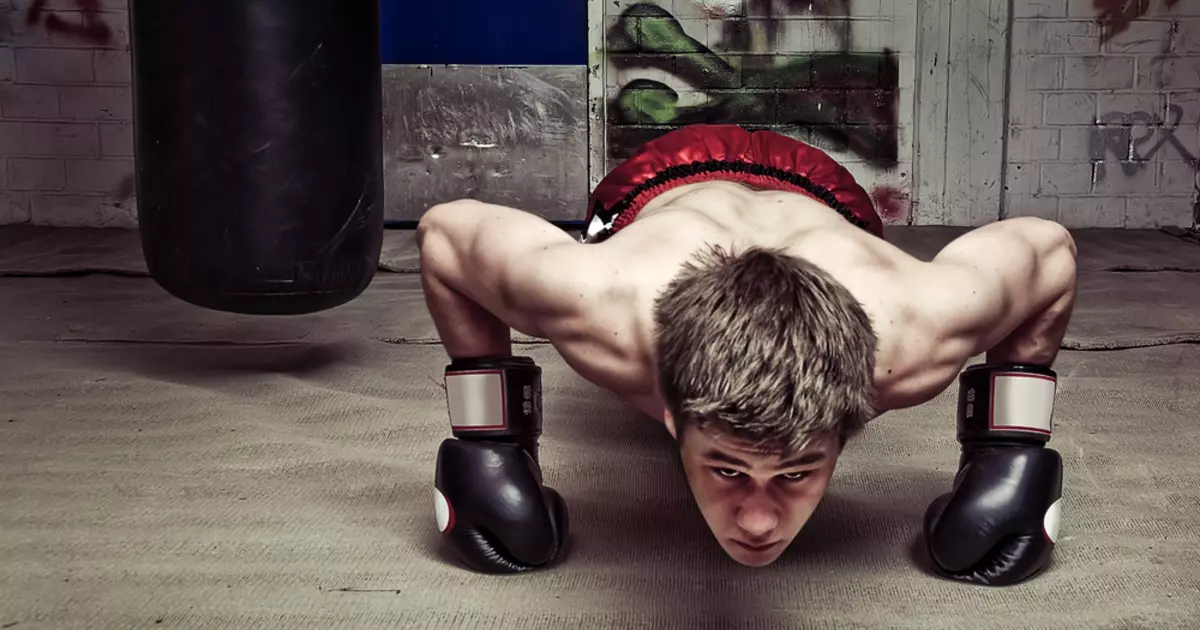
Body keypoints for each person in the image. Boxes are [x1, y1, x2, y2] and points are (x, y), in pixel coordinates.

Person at [418, 124, 1074, 586]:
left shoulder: (915, 331)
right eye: (728, 470)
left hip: (823, 191)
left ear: (851, 425)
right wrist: (493, 445)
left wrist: (1007, 455)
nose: (758, 523)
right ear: (669, 415)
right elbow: (445, 234)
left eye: (794, 474)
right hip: (664, 176)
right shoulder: (599, 305)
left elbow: (1049, 251)